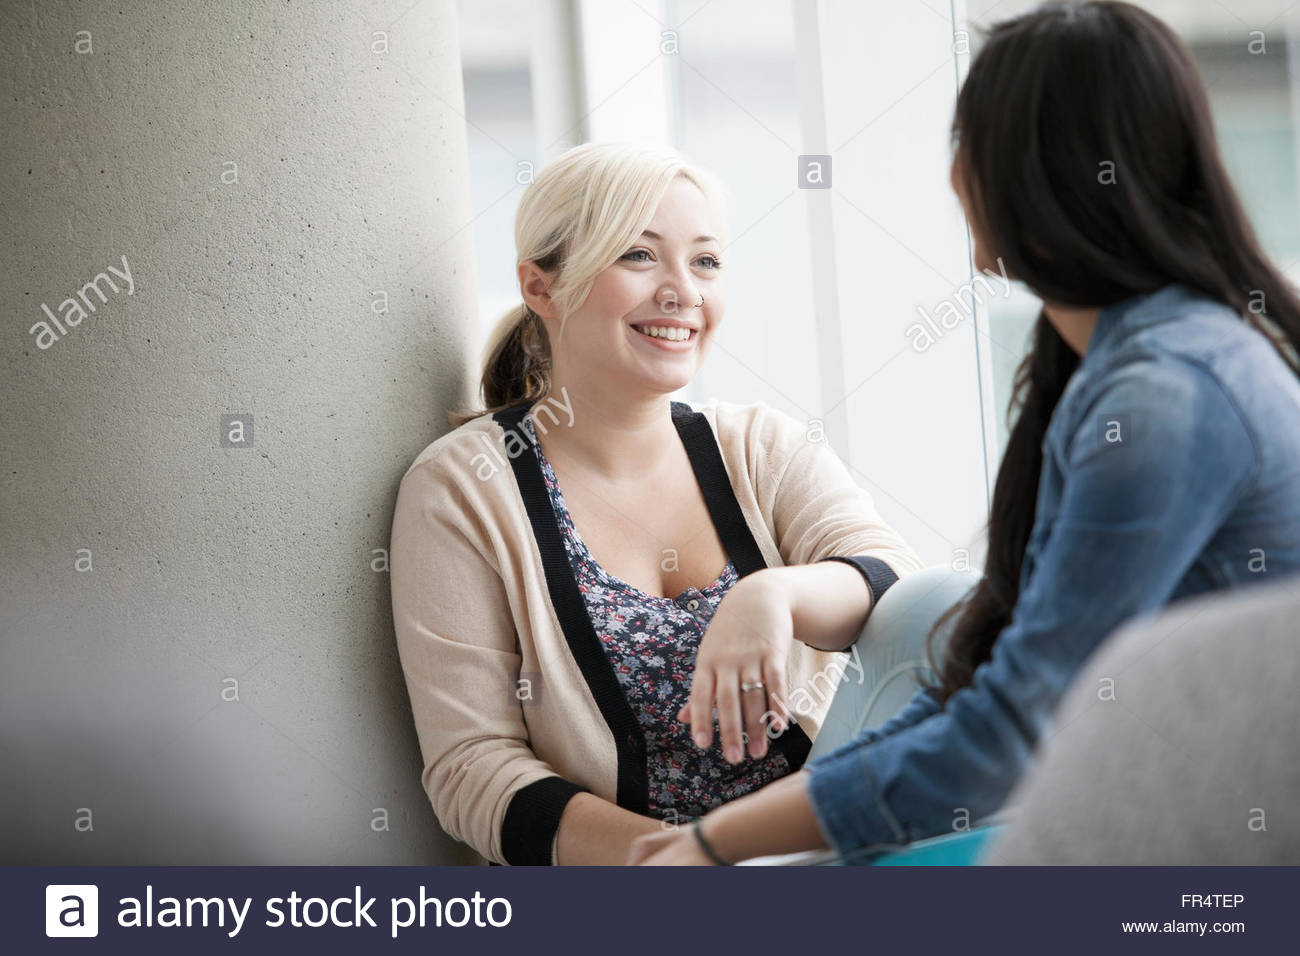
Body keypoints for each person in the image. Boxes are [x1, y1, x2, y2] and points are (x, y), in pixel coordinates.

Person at [630, 0, 1300, 866]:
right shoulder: (1120, 363)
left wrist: (718, 845)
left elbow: (1008, 735)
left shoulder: (1166, 399)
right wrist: (730, 845)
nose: (952, 172)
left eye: (967, 138)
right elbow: (983, 685)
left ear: (1029, 174)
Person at [389, 141, 926, 866]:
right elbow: (473, 770)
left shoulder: (762, 446)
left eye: (705, 261)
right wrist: (689, 862)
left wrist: (772, 596)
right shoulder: (463, 488)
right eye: (639, 256)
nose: (683, 292)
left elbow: (904, 590)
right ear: (540, 288)